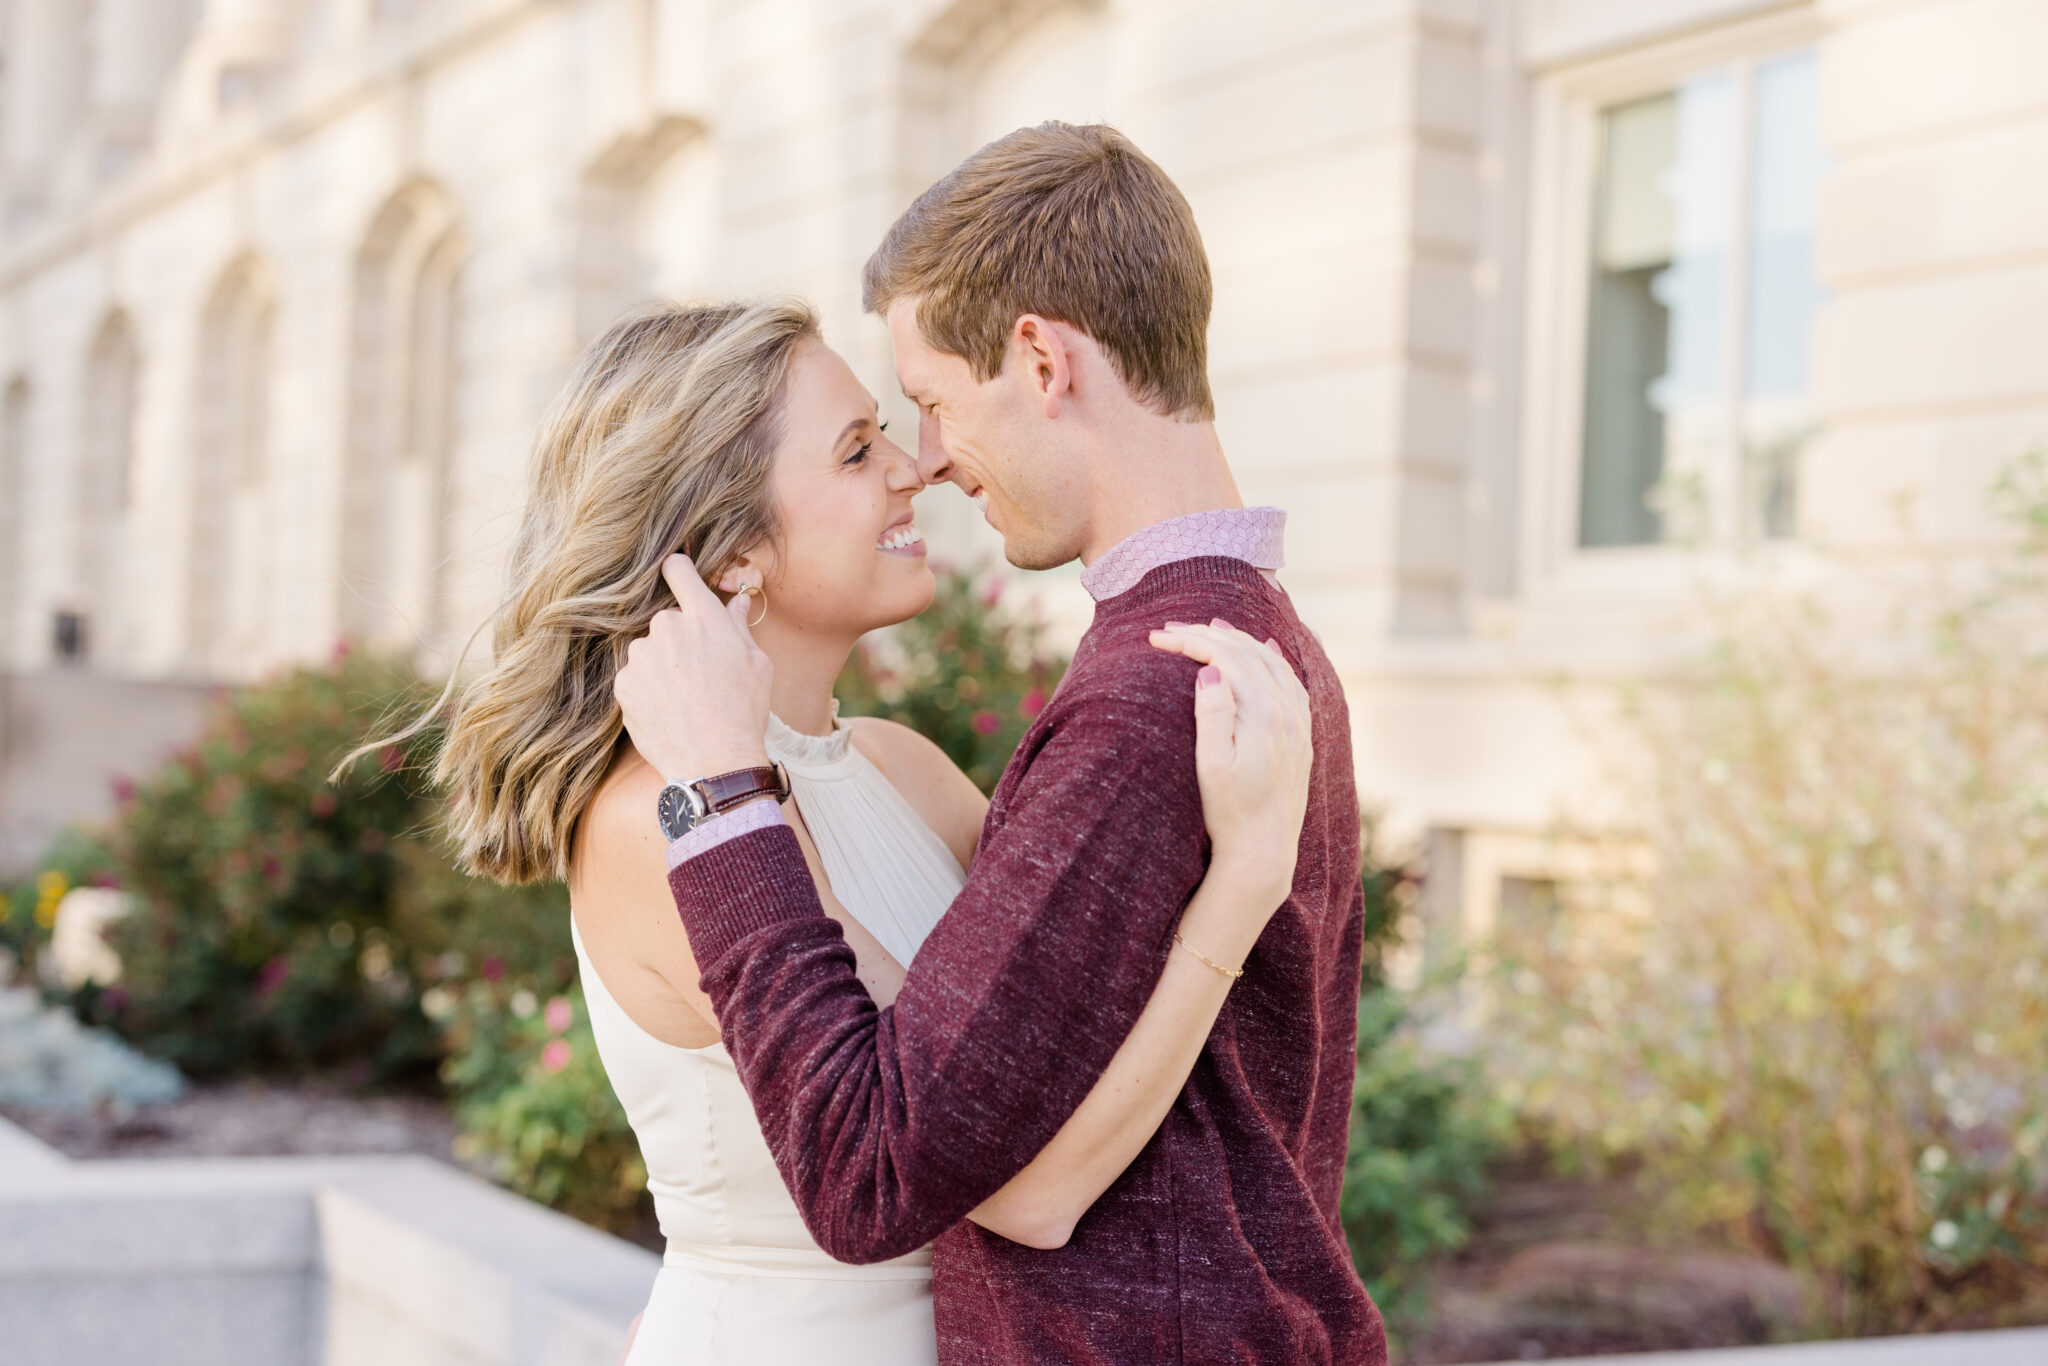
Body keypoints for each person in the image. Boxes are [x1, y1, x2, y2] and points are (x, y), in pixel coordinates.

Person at [613, 123, 1385, 1364]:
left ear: (1038, 358)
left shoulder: (1154, 695)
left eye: (924, 404)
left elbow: (882, 1169)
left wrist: (720, 797)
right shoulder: (1248, 642)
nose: (929, 463)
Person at [423, 296, 1319, 1363]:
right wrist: (1240, 886)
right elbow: (1020, 1186)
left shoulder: (905, 767)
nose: (914, 466)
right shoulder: (659, 821)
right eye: (856, 450)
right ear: (730, 551)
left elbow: (1096, 1047)